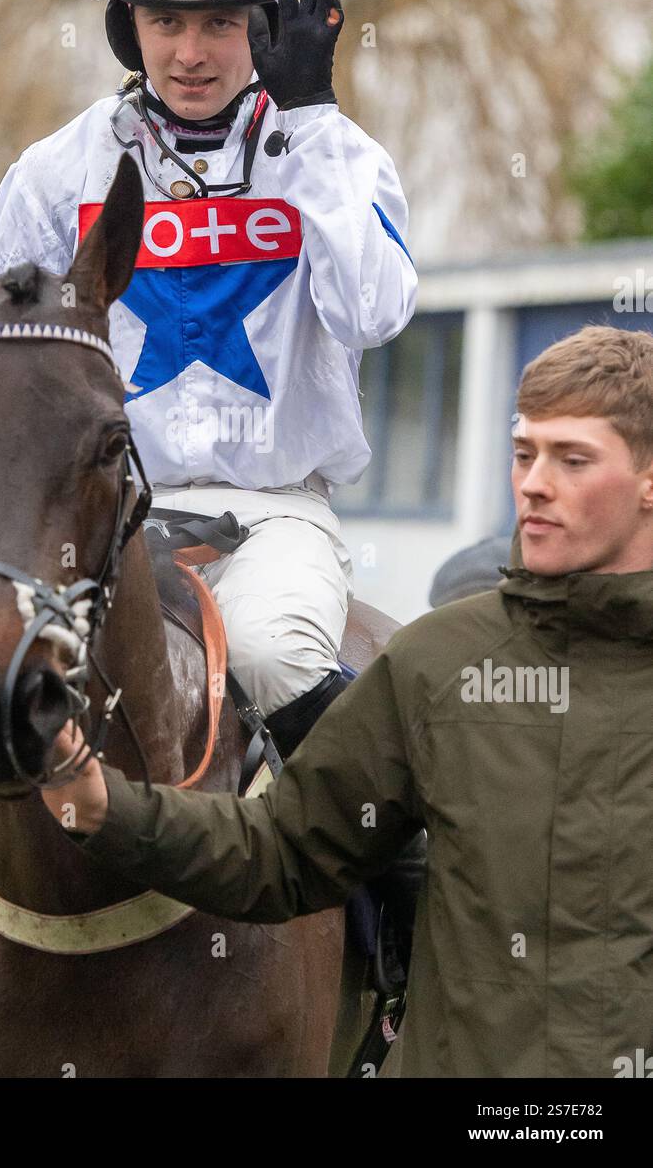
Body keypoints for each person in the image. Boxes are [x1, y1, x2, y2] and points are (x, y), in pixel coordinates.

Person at [0, 0, 421, 1076]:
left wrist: (315, 123)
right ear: (127, 25)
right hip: (95, 513)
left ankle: (391, 981)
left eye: (221, 19)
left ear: (266, 27)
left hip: (271, 512)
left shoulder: (333, 155)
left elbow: (377, 309)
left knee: (286, 659)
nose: (190, 50)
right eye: (164, 19)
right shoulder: (54, 173)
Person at [41, 324, 653, 1078]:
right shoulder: (437, 662)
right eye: (525, 453)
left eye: (573, 459)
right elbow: (282, 851)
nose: (533, 482)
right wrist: (108, 808)